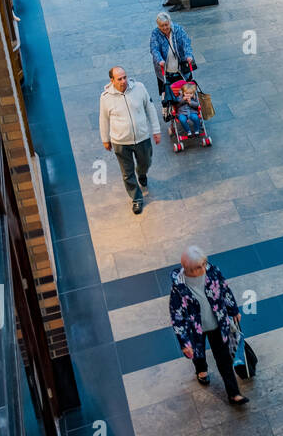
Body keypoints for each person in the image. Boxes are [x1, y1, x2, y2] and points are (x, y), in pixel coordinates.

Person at [168, 247, 249, 406]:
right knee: (198, 353)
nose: (204, 268)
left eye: (204, 263)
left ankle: (234, 394)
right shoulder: (179, 288)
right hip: (195, 330)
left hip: (218, 324)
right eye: (199, 267)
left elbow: (225, 290)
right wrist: (184, 343)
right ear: (189, 269)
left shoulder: (213, 272)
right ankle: (201, 370)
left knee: (224, 358)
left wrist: (233, 310)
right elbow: (176, 316)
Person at [98, 65, 160, 214]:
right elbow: (103, 119)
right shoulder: (105, 98)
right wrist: (105, 139)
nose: (123, 81)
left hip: (142, 137)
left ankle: (142, 173)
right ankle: (136, 198)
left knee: (146, 162)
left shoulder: (139, 88)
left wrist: (156, 130)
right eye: (119, 79)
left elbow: (150, 108)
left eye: (125, 77)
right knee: (127, 172)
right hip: (120, 142)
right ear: (112, 80)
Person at [149, 10, 194, 95]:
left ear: (170, 22)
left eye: (166, 25)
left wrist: (188, 55)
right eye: (162, 26)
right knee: (167, 94)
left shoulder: (178, 29)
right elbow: (154, 49)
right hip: (165, 68)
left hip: (181, 66)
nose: (165, 28)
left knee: (187, 91)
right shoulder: (155, 33)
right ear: (158, 26)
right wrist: (160, 60)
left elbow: (186, 43)